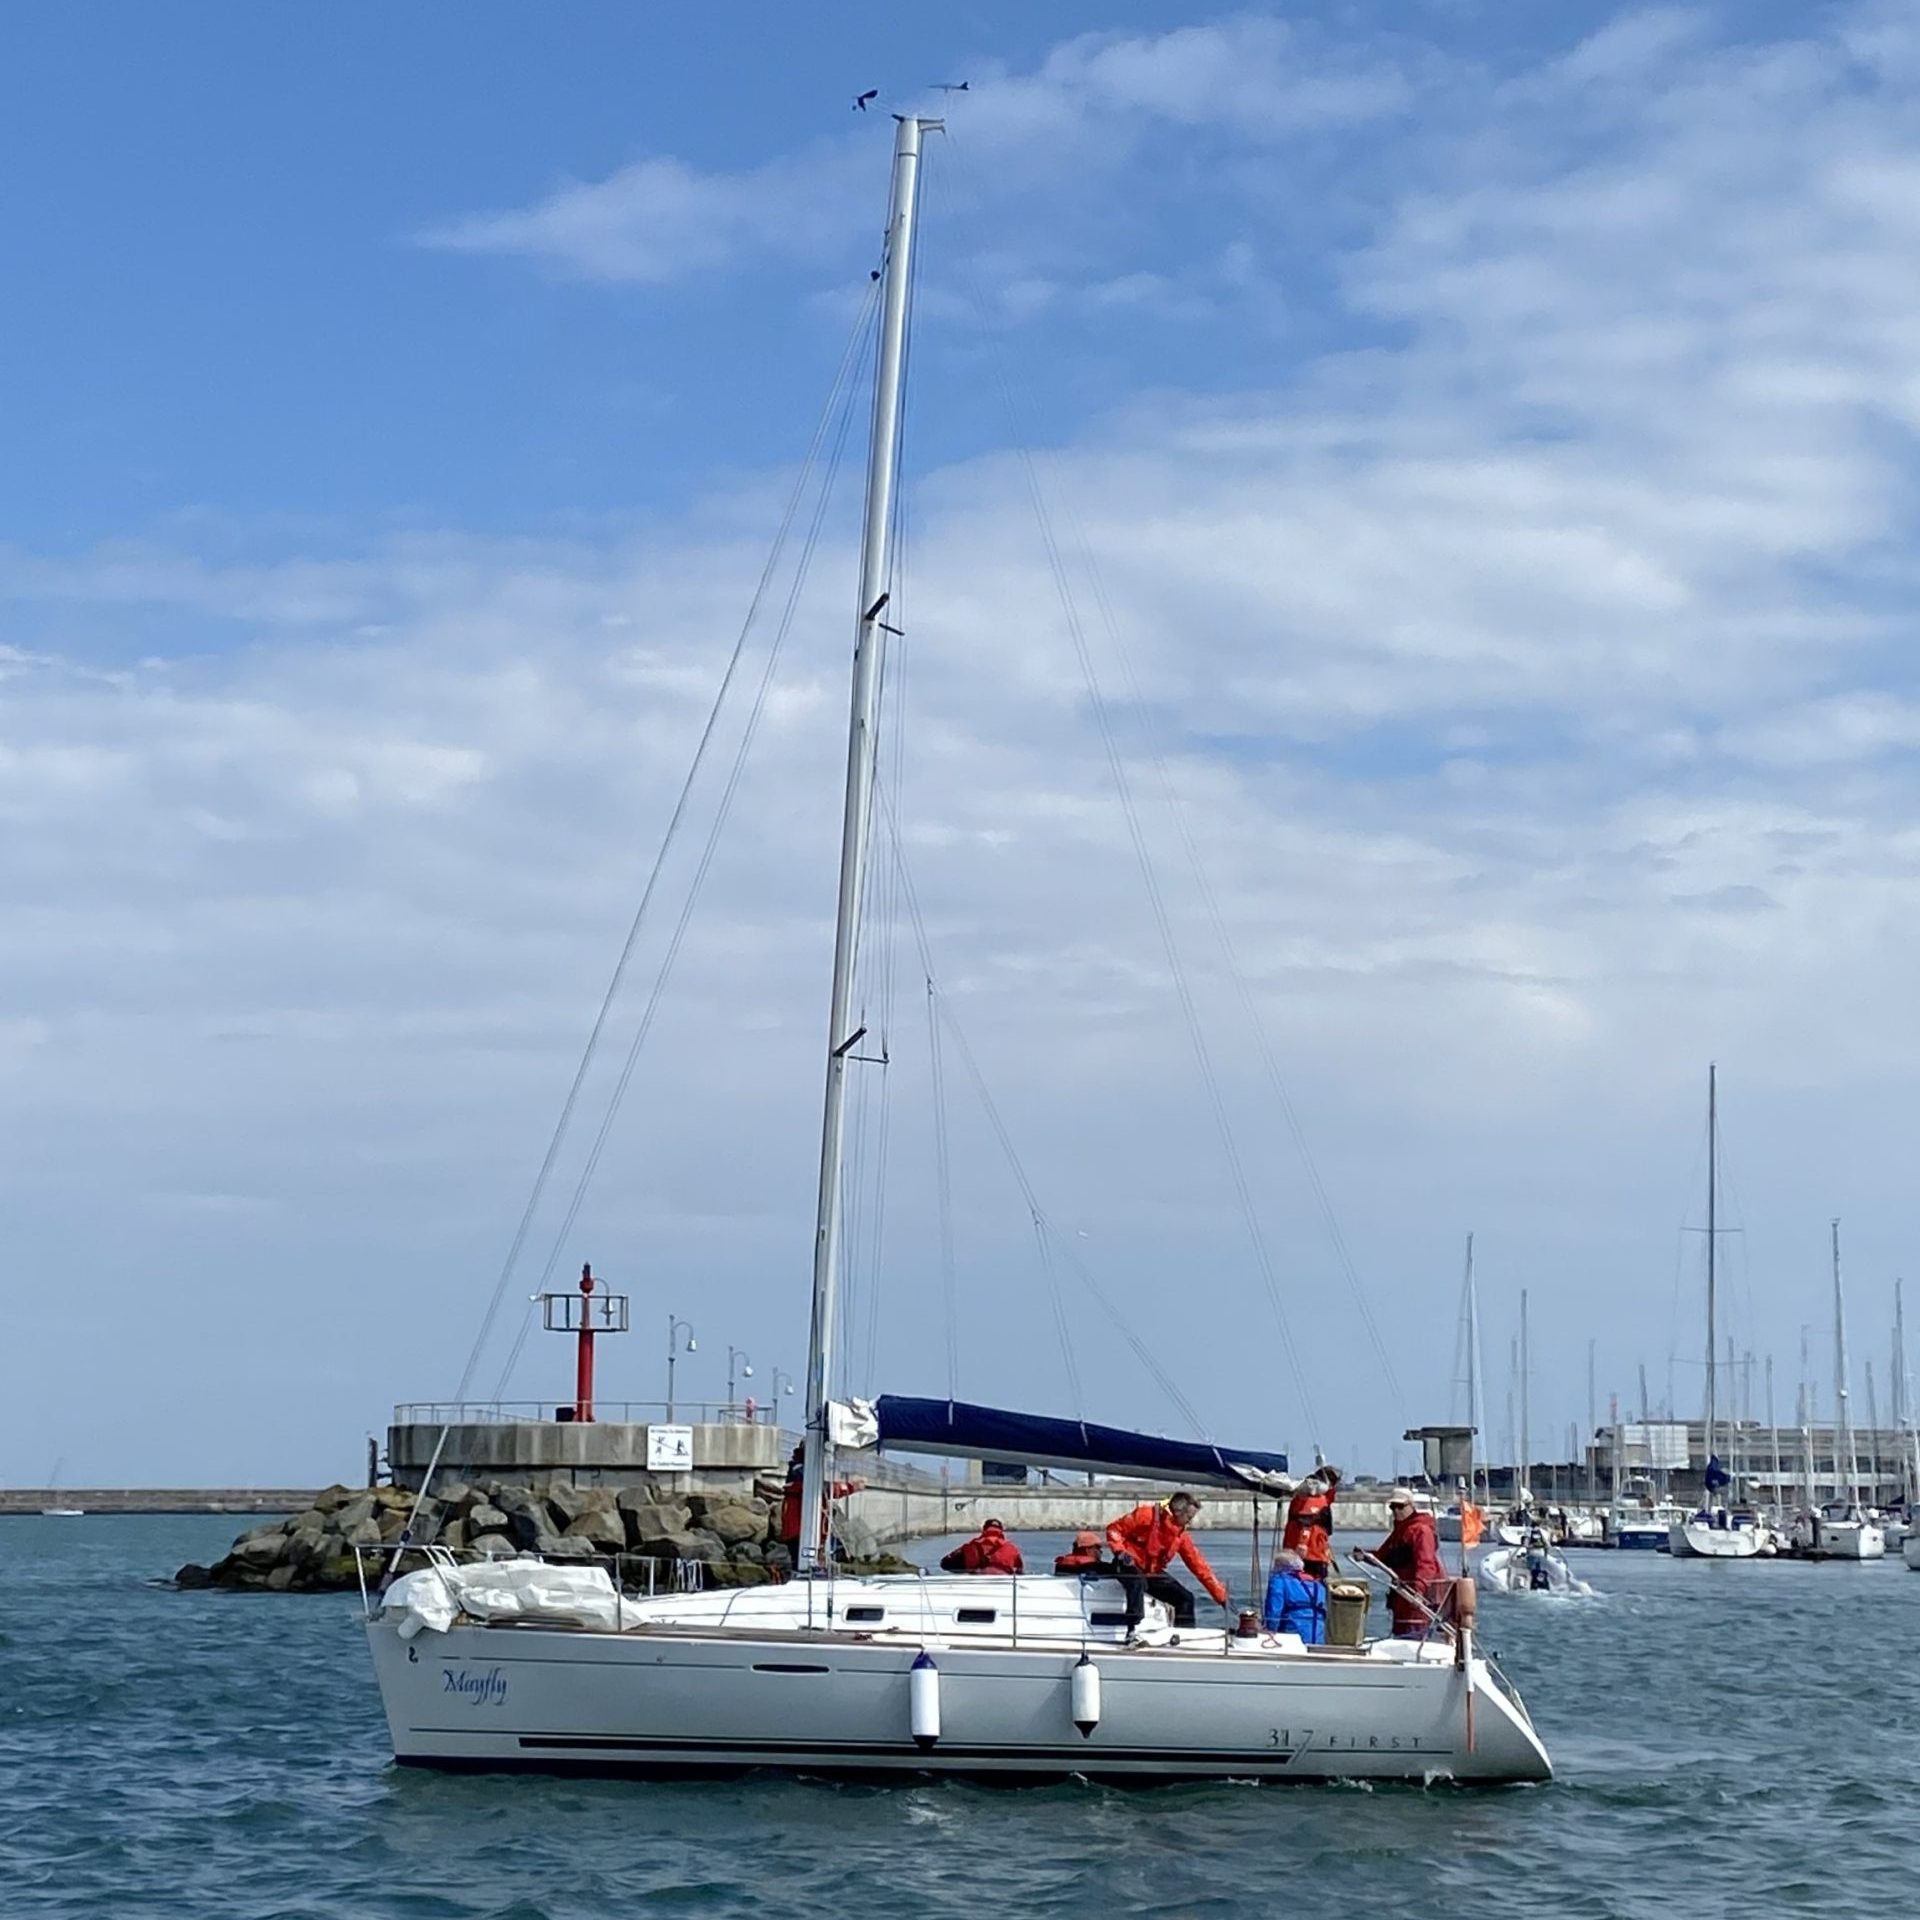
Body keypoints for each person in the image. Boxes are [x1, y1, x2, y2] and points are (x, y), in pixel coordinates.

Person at [1105, 1492, 1229, 1635]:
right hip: (1126, 1565)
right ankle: (1132, 1631)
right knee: (1137, 1582)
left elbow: (1199, 1566)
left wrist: (1222, 1597)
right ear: (1178, 1512)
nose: (1189, 1522)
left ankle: (1184, 1636)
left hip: (1150, 1572)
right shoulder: (1145, 1515)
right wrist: (1120, 1552)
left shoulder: (1180, 1536)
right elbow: (1114, 1529)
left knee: (1185, 1598)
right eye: (1189, 1518)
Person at [1368, 1488, 1446, 1636]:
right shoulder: (1399, 1532)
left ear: (1411, 1505)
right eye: (1392, 1507)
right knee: (1401, 1634)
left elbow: (1426, 1564)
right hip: (1402, 1596)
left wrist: (1419, 1590)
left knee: (1414, 1633)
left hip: (1418, 1598)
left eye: (1400, 1506)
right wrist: (1365, 1556)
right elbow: (1382, 1556)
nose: (1396, 1511)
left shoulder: (1421, 1530)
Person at [776, 1443, 865, 1572]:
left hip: (807, 1528)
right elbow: (820, 1488)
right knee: (803, 1563)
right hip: (800, 1530)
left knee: (815, 1561)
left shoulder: (805, 1467)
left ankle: (813, 1571)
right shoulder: (801, 1470)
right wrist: (851, 1487)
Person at [1283, 1465, 1339, 1579]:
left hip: (1299, 1551)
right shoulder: (1315, 1500)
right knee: (1311, 1582)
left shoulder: (1302, 1499)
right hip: (1310, 1553)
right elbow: (1307, 1521)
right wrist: (1303, 1543)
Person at [1261, 1547, 1326, 1643]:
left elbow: (1274, 1609)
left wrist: (1270, 1630)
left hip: (1292, 1633)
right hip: (1318, 1635)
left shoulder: (1279, 1580)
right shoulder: (1318, 1585)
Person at [940, 1517, 1025, 1575]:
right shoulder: (1012, 1549)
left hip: (977, 1586)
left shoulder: (971, 1546)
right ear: (1001, 1531)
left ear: (984, 1530)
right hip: (1004, 1587)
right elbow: (1019, 1572)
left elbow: (945, 1564)